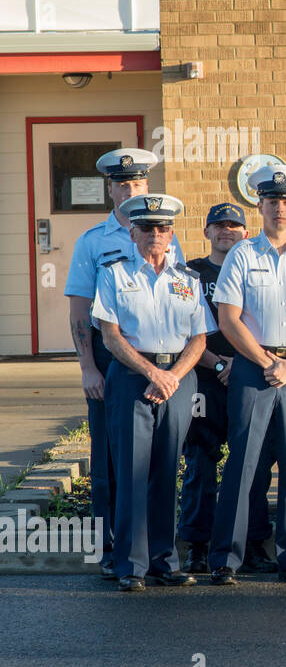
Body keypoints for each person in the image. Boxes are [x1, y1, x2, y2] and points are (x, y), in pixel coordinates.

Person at [208, 163, 286, 585]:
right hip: (253, 368)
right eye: (272, 201)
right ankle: (226, 557)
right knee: (244, 462)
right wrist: (268, 363)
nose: (280, 208)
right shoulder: (243, 255)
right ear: (260, 205)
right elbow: (228, 319)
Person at [65, 148, 181, 578]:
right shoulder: (92, 242)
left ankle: (148, 551)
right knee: (109, 460)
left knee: (153, 461)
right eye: (123, 184)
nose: (131, 189)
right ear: (110, 189)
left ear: (146, 187)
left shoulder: (167, 235)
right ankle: (109, 552)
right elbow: (80, 312)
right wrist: (87, 368)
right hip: (109, 358)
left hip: (158, 360)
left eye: (138, 183)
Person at [92, 193, 209, 592]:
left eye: (162, 228)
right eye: (146, 228)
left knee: (166, 471)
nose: (154, 235)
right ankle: (130, 565)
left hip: (177, 378)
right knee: (130, 471)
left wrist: (172, 375)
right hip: (131, 377)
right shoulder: (115, 274)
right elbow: (110, 335)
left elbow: (198, 337)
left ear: (171, 233)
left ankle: (164, 561)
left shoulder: (187, 279)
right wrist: (150, 373)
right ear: (133, 231)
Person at [178, 203, 275, 575]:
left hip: (251, 376)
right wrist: (219, 364)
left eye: (234, 225)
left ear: (245, 233)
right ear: (206, 233)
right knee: (201, 460)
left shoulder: (257, 271)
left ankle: (251, 543)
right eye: (218, 225)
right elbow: (188, 330)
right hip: (205, 379)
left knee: (254, 460)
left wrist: (245, 363)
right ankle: (197, 544)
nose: (226, 231)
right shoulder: (191, 274)